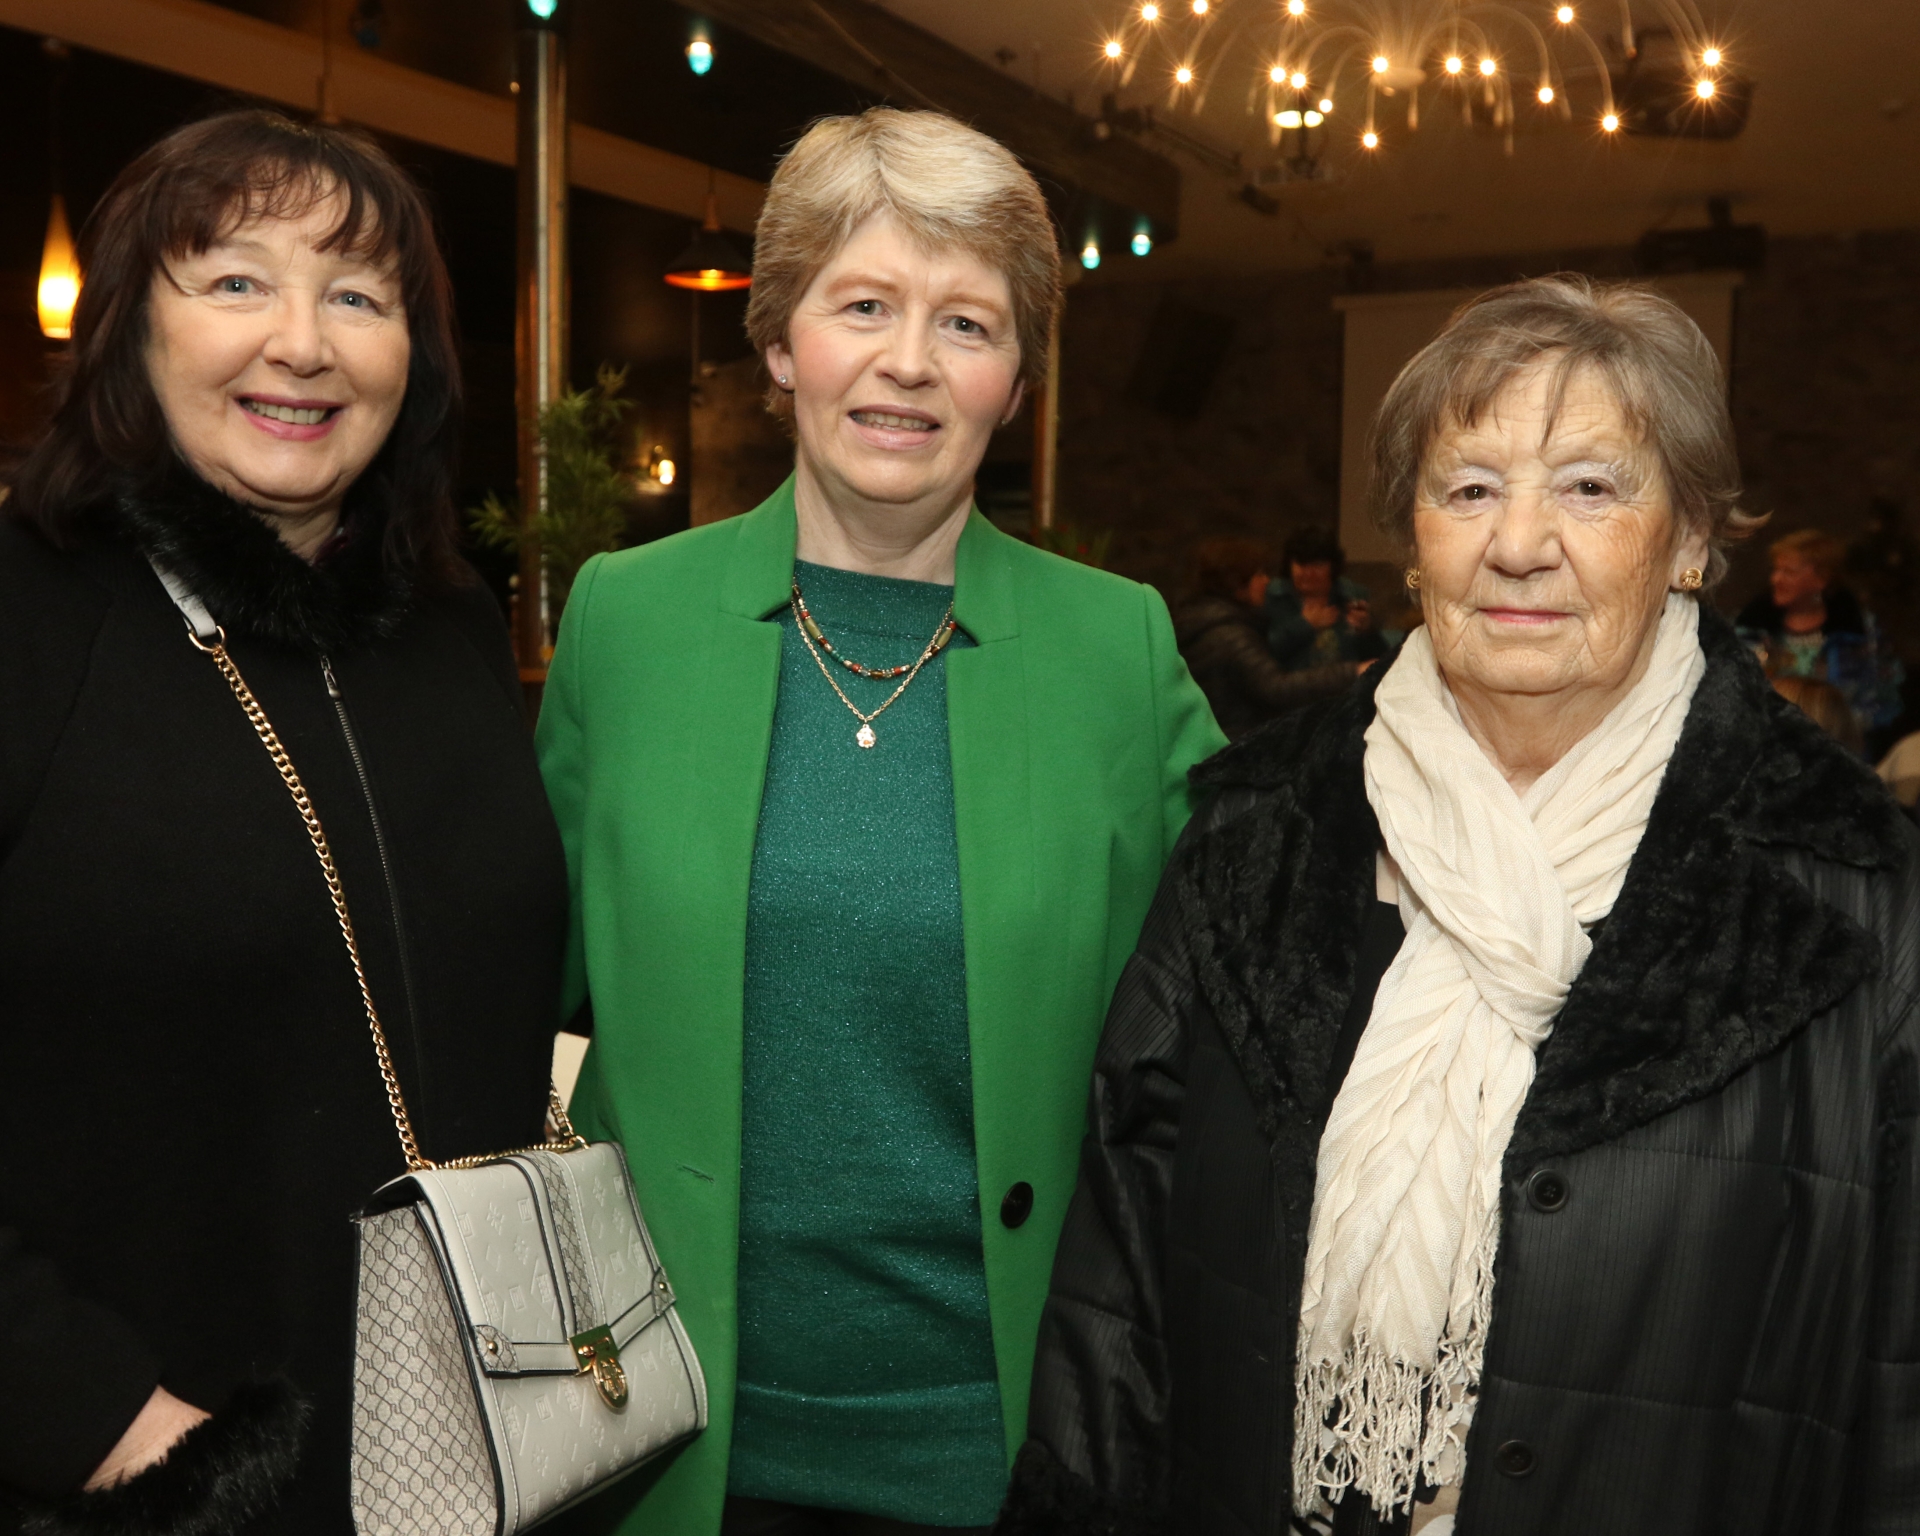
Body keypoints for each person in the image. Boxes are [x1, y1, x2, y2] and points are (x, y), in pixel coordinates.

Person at [1000, 276, 1918, 1536]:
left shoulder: (1851, 899)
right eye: (1468, 487)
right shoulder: (1256, 837)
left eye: (1592, 487)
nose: (1519, 543)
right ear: (1411, 535)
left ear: (1692, 540)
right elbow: (1119, 1298)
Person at [536, 109, 1222, 1536]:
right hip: (663, 1442)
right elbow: (489, 980)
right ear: (781, 340)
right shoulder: (624, 622)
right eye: (864, 306)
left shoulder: (1120, 651)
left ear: (1016, 379)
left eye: (966, 323)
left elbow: (1256, 988)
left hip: (1009, 1450)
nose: (910, 362)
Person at [0, 112, 567, 1534]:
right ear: (130, 324)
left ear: (414, 362)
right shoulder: (26, 612)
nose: (303, 343)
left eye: (358, 296)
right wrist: (103, 1423)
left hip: (467, 1454)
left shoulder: (443, 633)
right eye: (238, 280)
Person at [1174, 537, 1365, 738]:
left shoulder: (1213, 617)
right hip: (1233, 738)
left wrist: (1366, 631)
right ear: (1237, 581)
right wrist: (1352, 671)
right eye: (1259, 574)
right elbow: (1276, 687)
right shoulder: (1230, 631)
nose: (1266, 581)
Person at [1736, 528, 1904, 736]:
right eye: (1775, 570)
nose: (1775, 579)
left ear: (1821, 579)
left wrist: (1837, 729)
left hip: (1838, 747)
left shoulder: (1861, 633)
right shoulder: (1751, 629)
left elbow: (1884, 701)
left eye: (1789, 572)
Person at [1266, 525, 1391, 672]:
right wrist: (1304, 626)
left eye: (1317, 565)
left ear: (1332, 567)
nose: (1308, 573)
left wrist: (1366, 631)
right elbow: (1263, 655)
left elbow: (1380, 659)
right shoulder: (1274, 596)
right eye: (1301, 565)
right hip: (1290, 690)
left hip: (1346, 689)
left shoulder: (1351, 595)